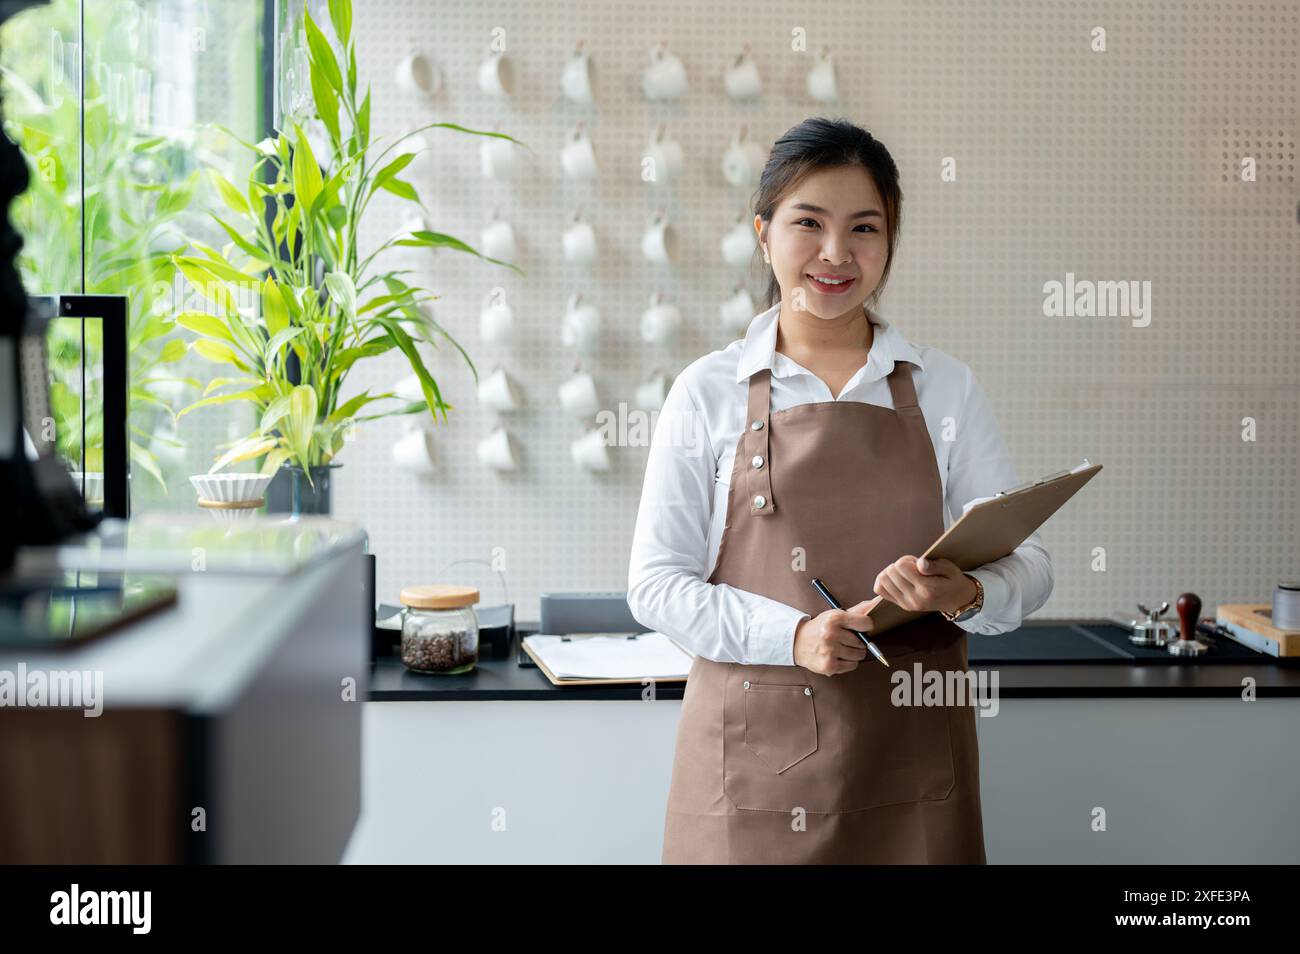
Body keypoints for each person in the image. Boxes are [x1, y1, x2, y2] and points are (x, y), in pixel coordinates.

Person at [626, 117, 1053, 864]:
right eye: (808, 224)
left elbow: (1033, 568)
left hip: (913, 757)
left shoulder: (945, 389)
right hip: (749, 776)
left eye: (864, 228)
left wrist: (962, 594)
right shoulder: (707, 393)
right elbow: (656, 586)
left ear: (890, 243)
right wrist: (791, 636)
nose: (835, 254)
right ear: (763, 234)